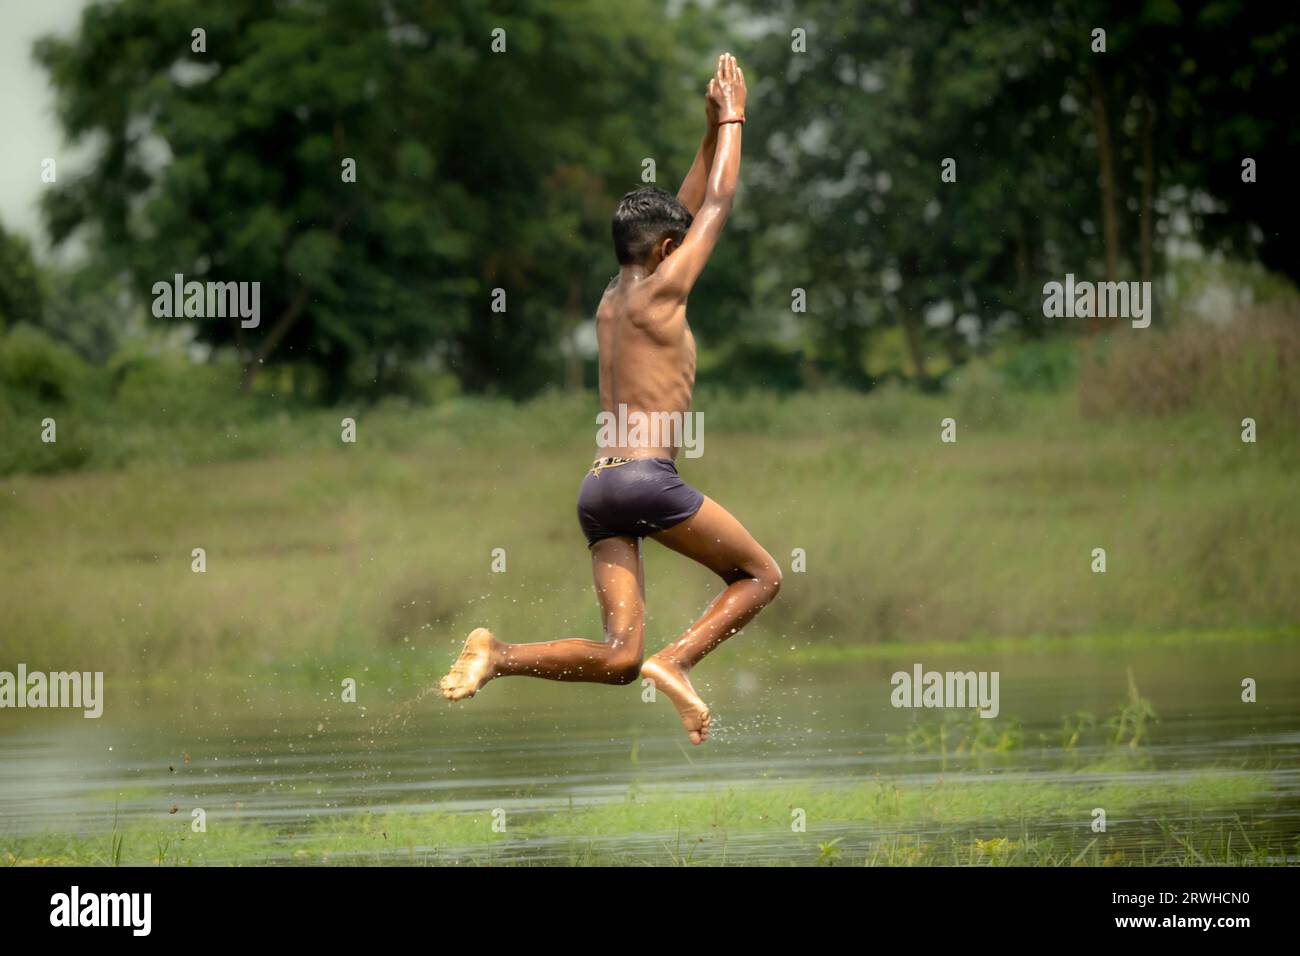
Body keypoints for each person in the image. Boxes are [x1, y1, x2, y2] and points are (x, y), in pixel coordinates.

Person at [438, 54, 780, 745]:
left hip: (598, 490)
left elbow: (685, 208)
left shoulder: (611, 299)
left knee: (619, 659)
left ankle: (496, 655)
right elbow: (714, 203)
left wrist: (710, 127)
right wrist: (739, 113)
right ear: (664, 252)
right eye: (677, 248)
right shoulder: (665, 291)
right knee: (760, 575)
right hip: (648, 481)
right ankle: (680, 661)